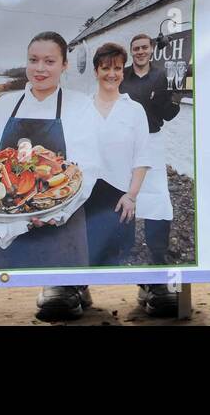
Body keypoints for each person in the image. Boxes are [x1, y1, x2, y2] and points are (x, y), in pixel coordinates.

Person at [0, 31, 96, 321]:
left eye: (50, 61)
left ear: (64, 65)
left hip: (60, 209)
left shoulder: (80, 104)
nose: (40, 69)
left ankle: (71, 287)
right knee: (8, 304)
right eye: (33, 60)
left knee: (60, 302)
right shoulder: (5, 105)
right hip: (9, 210)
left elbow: (89, 165)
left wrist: (60, 211)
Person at [119, 32, 182, 316]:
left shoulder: (161, 77)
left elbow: (168, 114)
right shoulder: (123, 77)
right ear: (131, 52)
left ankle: (158, 258)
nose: (141, 52)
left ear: (151, 50)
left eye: (145, 48)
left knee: (157, 198)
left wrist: (174, 99)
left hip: (153, 141)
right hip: (126, 142)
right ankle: (127, 250)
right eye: (136, 48)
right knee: (125, 192)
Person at [81, 43, 150, 267]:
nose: (112, 74)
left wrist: (131, 196)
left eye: (118, 68)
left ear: (123, 71)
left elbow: (142, 157)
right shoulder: (81, 109)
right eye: (105, 68)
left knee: (115, 256)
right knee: (85, 255)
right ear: (96, 72)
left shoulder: (134, 110)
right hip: (84, 198)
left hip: (119, 197)